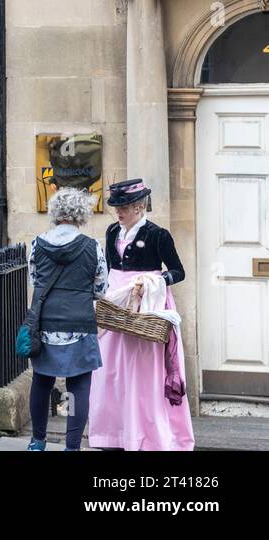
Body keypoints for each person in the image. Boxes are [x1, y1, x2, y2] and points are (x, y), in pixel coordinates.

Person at [89, 178, 195, 451]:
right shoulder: (113, 231)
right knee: (111, 369)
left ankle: (147, 435)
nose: (118, 212)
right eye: (117, 207)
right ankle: (114, 433)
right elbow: (110, 269)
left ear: (138, 207)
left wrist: (153, 281)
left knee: (143, 371)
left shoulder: (158, 235)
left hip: (147, 304)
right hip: (117, 306)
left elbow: (178, 271)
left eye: (122, 207)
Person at [26, 187, 107, 452]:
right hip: (80, 323)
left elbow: (35, 281)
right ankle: (72, 447)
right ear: (81, 214)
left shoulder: (37, 244)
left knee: (42, 381)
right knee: (79, 385)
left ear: (55, 212)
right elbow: (100, 290)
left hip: (47, 324)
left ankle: (38, 441)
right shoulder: (93, 246)